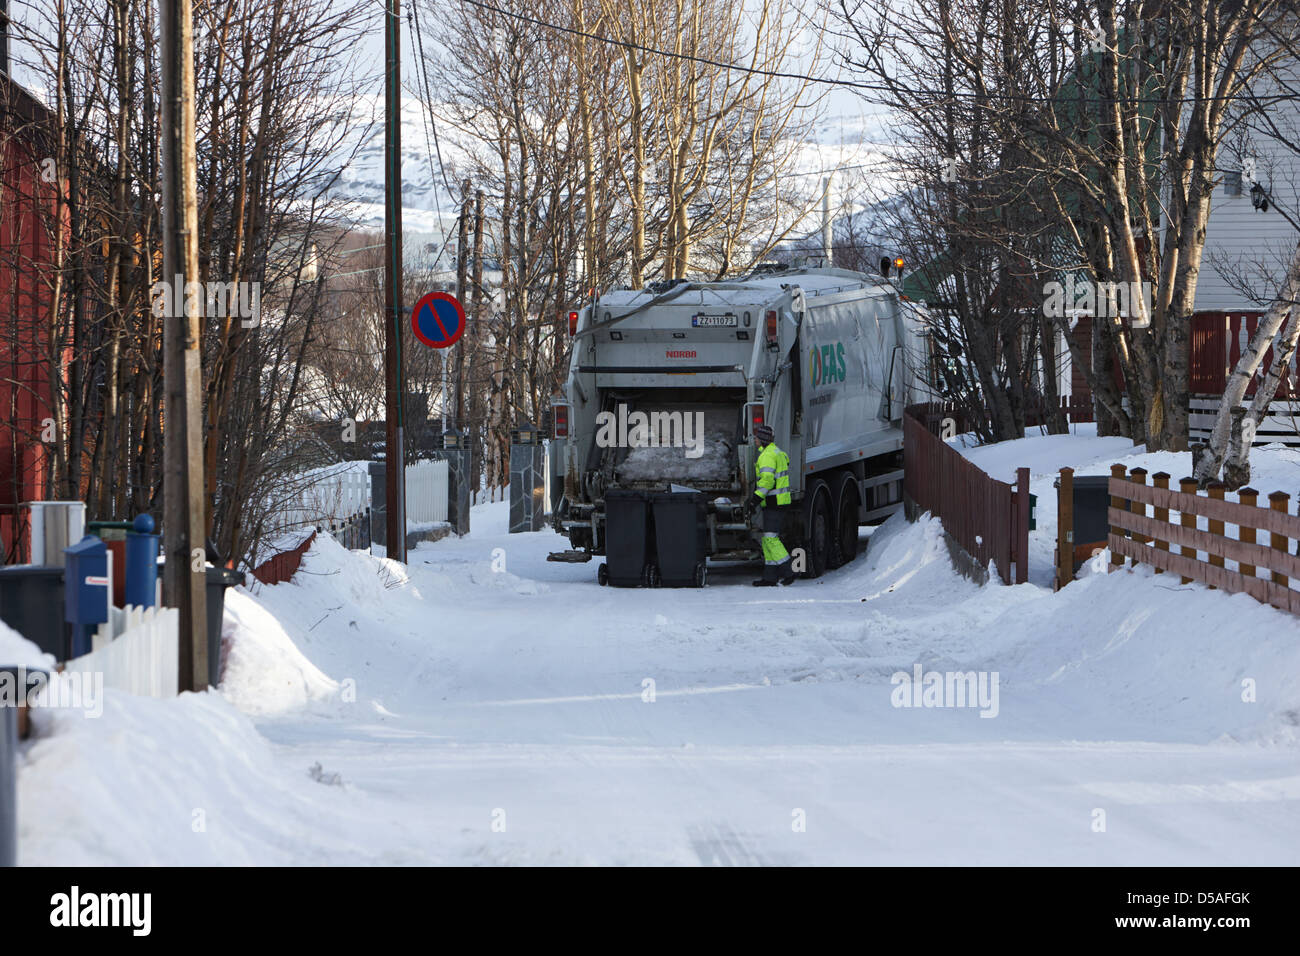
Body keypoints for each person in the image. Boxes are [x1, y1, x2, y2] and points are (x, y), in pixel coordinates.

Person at [745, 423, 796, 586]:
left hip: (774, 502)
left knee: (771, 538)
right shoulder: (777, 452)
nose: (755, 440)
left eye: (757, 438)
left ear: (763, 439)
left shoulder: (767, 456)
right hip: (779, 501)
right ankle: (770, 577)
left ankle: (788, 570)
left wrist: (755, 500)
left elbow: (766, 481)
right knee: (768, 539)